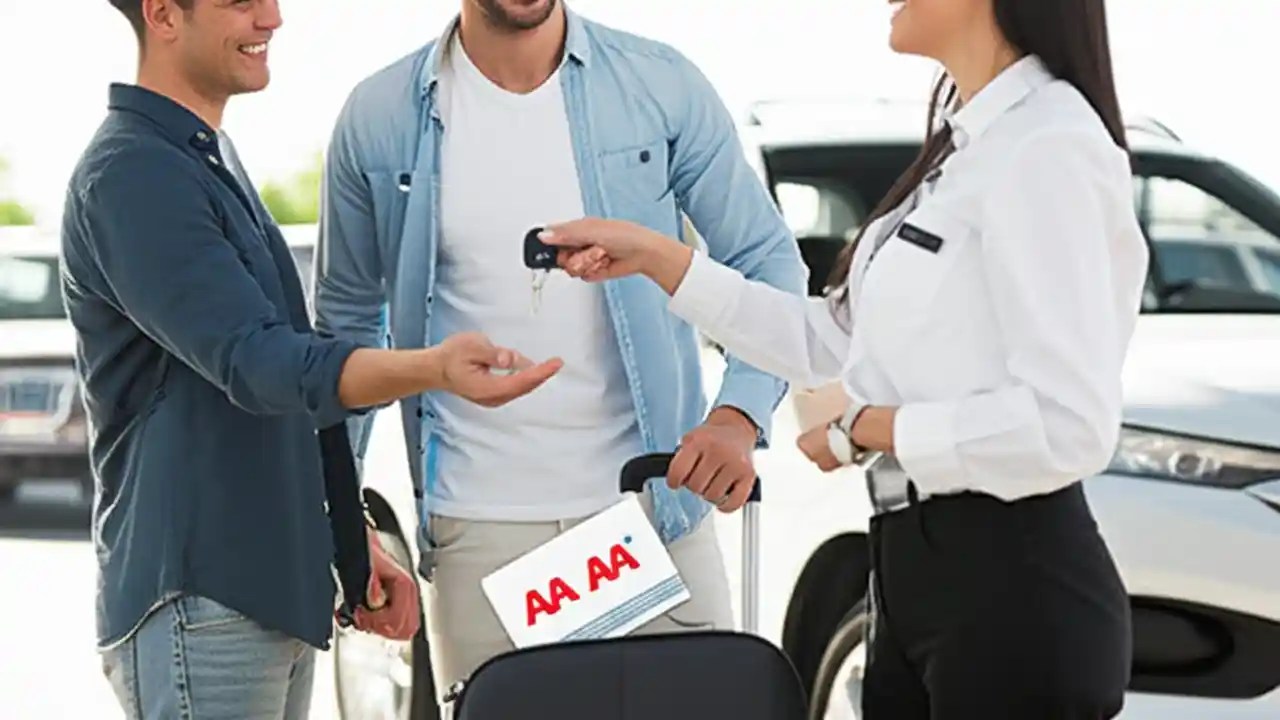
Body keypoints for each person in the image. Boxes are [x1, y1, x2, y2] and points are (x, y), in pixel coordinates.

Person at [542, 0, 1149, 716]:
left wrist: (872, 428)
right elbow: (824, 340)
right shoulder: (968, 148)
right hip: (912, 572)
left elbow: (1067, 425)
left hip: (1012, 583)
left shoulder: (1050, 144)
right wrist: (659, 259)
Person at [65, 2, 560, 718]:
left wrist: (347, 543)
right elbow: (263, 366)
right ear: (164, 14)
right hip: (201, 603)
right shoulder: (133, 174)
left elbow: (282, 386)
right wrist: (433, 369)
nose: (273, 17)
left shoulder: (199, 157)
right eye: (242, 1)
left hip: (250, 600)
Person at [314, 0, 808, 696]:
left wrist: (739, 416)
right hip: (481, 534)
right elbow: (344, 331)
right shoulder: (379, 116)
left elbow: (768, 262)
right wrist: (343, 517)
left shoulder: (660, 86)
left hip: (654, 516)